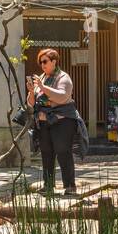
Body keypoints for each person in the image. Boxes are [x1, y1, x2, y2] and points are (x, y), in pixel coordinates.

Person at [27, 48, 87, 197]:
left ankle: (70, 186)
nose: (42, 65)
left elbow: (62, 97)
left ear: (54, 61)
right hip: (43, 123)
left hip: (62, 122)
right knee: (46, 153)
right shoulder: (42, 78)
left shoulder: (63, 77)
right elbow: (30, 103)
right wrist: (31, 91)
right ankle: (48, 186)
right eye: (40, 62)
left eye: (45, 61)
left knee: (63, 152)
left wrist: (42, 88)